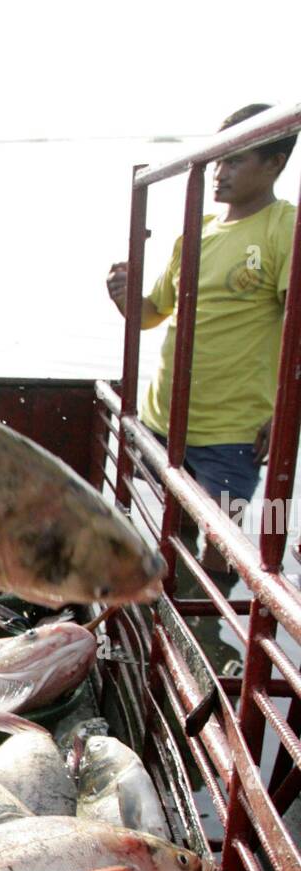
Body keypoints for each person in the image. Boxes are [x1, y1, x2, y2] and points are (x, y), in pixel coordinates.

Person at [107, 104, 297, 573]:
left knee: (220, 555)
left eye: (235, 160)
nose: (219, 171)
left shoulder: (284, 227)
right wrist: (123, 297)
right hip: (163, 421)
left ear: (274, 163)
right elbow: (151, 315)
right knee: (172, 533)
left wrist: (288, 413)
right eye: (217, 160)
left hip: (231, 435)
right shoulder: (197, 233)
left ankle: (206, 639)